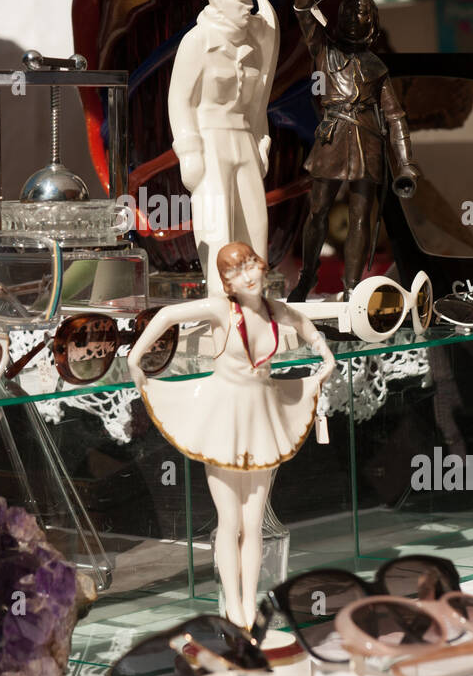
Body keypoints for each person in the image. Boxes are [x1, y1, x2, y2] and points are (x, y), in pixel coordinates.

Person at [128, 240, 335, 630]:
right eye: (236, 272)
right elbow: (168, 315)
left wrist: (324, 354)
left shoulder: (276, 310)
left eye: (251, 265)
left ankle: (249, 602)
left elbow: (304, 324)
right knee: (229, 520)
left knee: (254, 522)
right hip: (223, 417)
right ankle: (231, 603)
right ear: (226, 282)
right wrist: (135, 357)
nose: (248, 276)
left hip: (261, 417)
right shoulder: (223, 311)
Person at [289, 0, 419, 301]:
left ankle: (351, 288)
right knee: (317, 212)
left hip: (368, 142)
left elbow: (395, 116)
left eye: (362, 12)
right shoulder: (323, 49)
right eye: (349, 10)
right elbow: (301, 8)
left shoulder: (377, 67)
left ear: (372, 24)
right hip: (333, 136)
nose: (353, 16)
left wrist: (407, 165)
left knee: (363, 218)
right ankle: (308, 275)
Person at [168, 0, 279, 295]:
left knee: (255, 227)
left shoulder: (254, 43)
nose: (249, 6)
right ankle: (221, 306)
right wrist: (189, 151)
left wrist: (261, 143)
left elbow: (258, 101)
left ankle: (256, 302)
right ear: (219, 2)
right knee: (217, 227)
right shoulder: (198, 41)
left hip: (243, 138)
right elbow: (180, 99)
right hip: (210, 140)